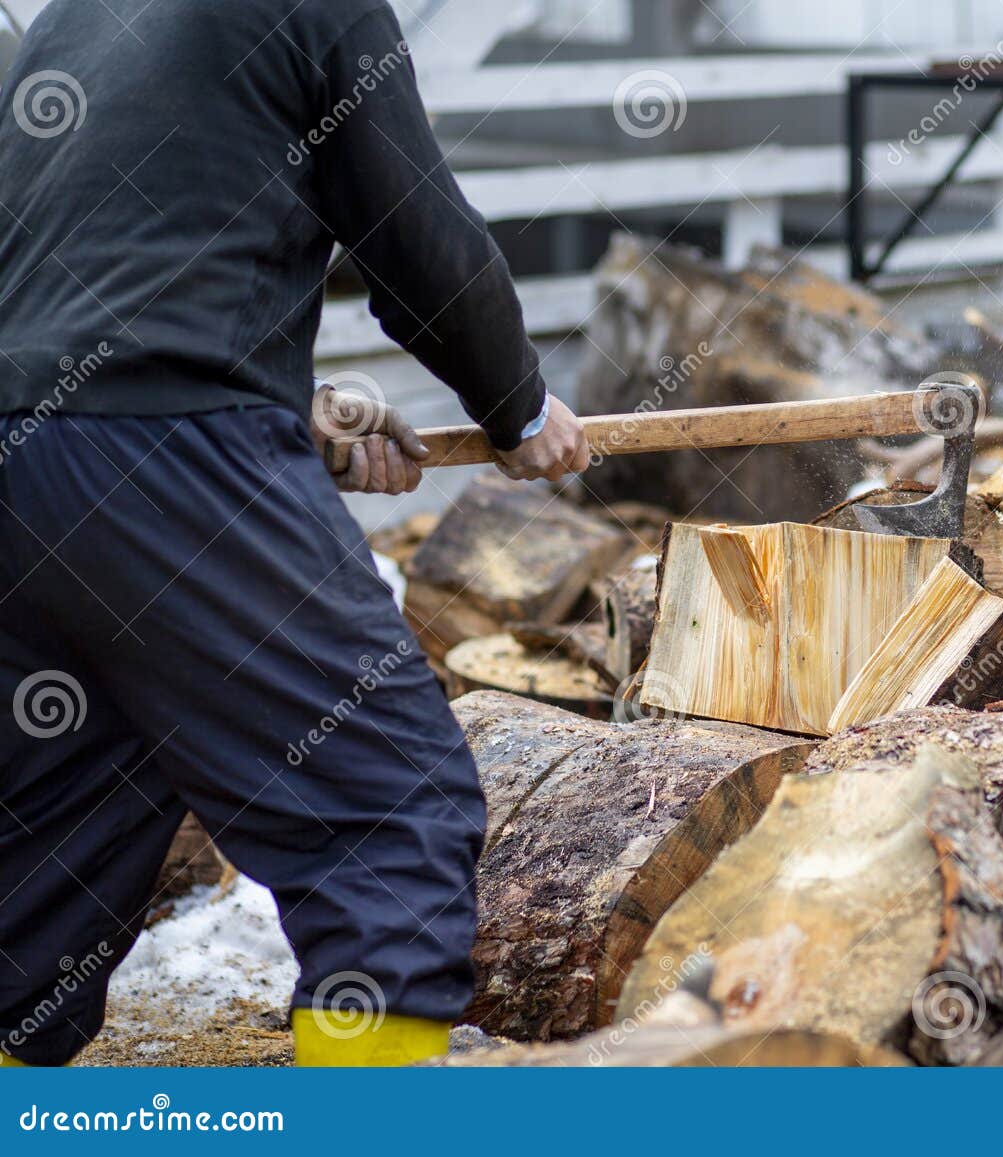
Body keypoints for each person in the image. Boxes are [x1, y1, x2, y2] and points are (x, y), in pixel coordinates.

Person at [0, 0, 589, 1066]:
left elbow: (86, 265)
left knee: (56, 825)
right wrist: (518, 404)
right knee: (389, 809)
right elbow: (410, 222)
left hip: (25, 459)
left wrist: (287, 403)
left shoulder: (72, 21)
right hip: (172, 456)